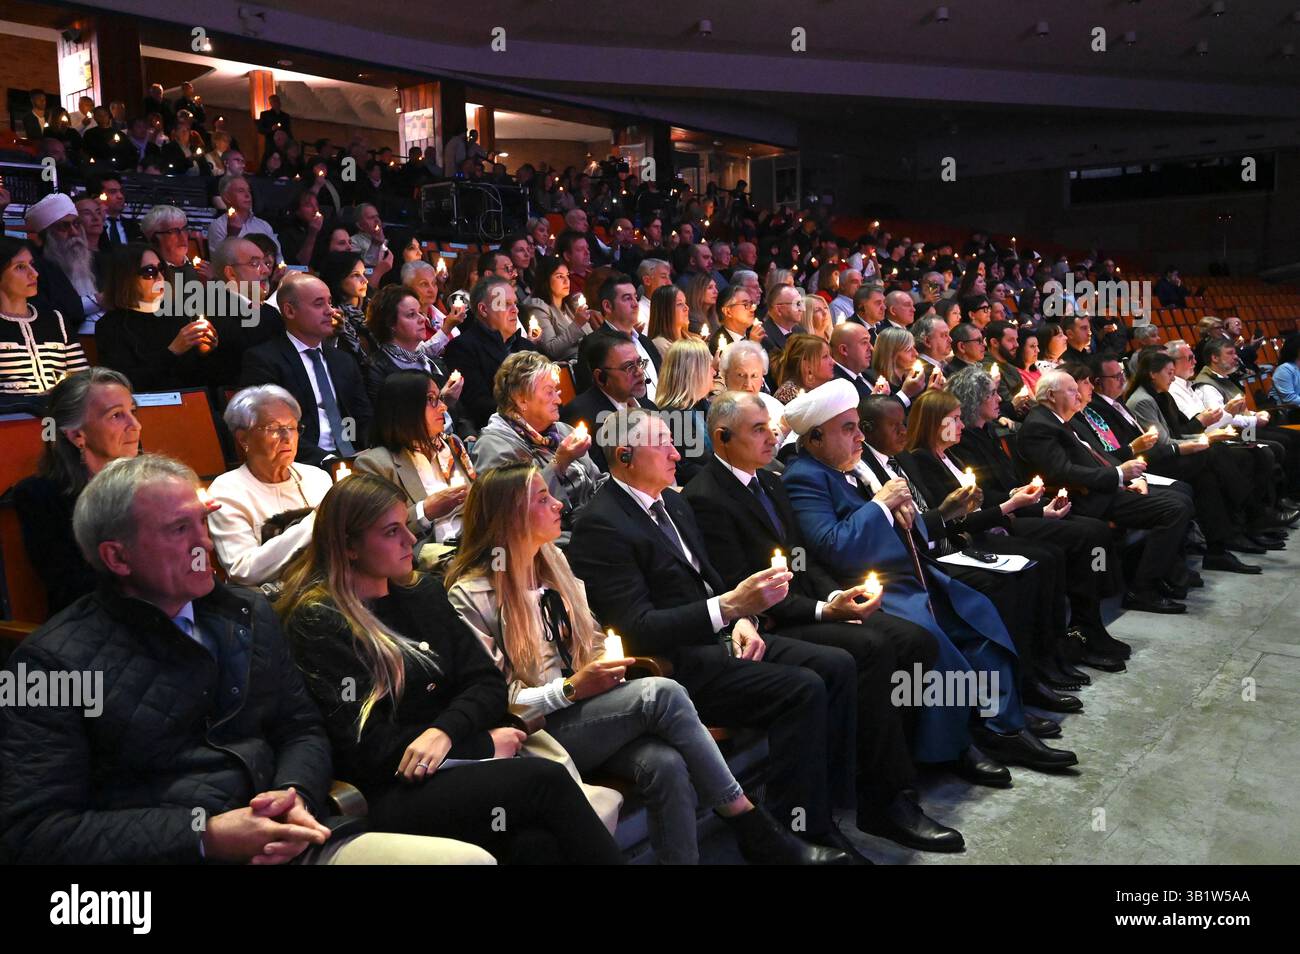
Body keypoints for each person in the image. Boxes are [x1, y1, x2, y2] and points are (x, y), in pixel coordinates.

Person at [2, 454, 492, 865]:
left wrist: (295, 792)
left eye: (202, 522)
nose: (206, 544)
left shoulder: (245, 612)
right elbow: (31, 832)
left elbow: (300, 727)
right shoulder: (47, 666)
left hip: (295, 833)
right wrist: (204, 833)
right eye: (179, 530)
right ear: (117, 558)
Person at [445, 463, 839, 865]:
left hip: (592, 708)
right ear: (508, 514)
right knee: (663, 693)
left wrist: (602, 664)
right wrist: (570, 688)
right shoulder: (471, 595)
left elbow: (595, 639)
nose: (558, 503)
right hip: (537, 730)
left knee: (666, 764)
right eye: (542, 499)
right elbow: (495, 700)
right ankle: (752, 824)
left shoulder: (554, 564)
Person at [566, 407, 863, 862]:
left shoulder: (675, 501)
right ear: (624, 455)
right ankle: (788, 831)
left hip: (719, 639)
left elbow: (710, 581)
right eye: (662, 443)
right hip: (675, 663)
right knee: (802, 689)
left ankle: (824, 813)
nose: (675, 451)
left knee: (837, 664)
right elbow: (636, 627)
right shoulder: (600, 524)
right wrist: (728, 608)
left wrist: (740, 618)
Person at [277, 473, 621, 864]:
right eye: (392, 532)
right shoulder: (320, 622)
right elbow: (369, 750)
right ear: (349, 546)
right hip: (393, 790)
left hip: (455, 769)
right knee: (545, 780)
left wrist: (444, 731)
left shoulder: (421, 594)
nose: (411, 540)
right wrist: (479, 745)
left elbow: (487, 683)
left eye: (407, 526)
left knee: (535, 845)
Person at [684, 392, 963, 852]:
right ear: (722, 437)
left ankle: (891, 778)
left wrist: (834, 595)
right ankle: (881, 800)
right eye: (758, 429)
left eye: (769, 426)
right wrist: (822, 610)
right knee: (868, 651)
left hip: (803, 604)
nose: (771, 435)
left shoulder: (768, 482)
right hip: (769, 621)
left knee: (912, 641)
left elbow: (803, 558)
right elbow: (745, 587)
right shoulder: (707, 497)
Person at [780, 383, 1075, 779]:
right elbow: (834, 546)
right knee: (941, 650)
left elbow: (905, 527)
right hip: (876, 587)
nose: (860, 437)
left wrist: (941, 512)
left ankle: (1004, 723)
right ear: (815, 437)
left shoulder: (844, 466)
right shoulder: (806, 477)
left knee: (981, 626)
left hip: (915, 571)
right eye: (849, 429)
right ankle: (955, 746)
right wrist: (881, 504)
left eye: (858, 427)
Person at [906, 385, 1125, 685]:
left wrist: (1020, 500)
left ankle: (1073, 638)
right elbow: (957, 517)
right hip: (973, 536)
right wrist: (1013, 504)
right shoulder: (922, 459)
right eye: (954, 419)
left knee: (1078, 542)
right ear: (934, 423)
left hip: (995, 522)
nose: (960, 425)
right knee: (1051, 556)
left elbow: (980, 502)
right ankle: (1042, 658)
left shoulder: (948, 456)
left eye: (959, 418)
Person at [1016, 370, 1195, 613]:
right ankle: (1142, 589)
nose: (1078, 393)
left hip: (1104, 488)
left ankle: (1167, 574)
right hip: (1085, 497)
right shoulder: (1040, 426)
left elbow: (1098, 458)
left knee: (1180, 496)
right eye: (1071, 390)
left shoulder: (1062, 420)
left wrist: (1131, 477)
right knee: (1175, 508)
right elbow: (1062, 472)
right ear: (1050, 395)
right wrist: (1119, 475)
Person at [1120, 352, 1271, 566]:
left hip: (1171, 454)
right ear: (1153, 374)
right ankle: (1252, 512)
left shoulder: (1162, 394)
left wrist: (1205, 436)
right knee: (1213, 453)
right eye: (1169, 373)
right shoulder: (1143, 400)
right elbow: (1163, 443)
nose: (1173, 379)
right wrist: (1205, 439)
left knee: (1207, 479)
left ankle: (1218, 550)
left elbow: (1179, 434)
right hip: (1156, 462)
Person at [12, 368, 140, 614]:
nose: (135, 425)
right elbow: (70, 588)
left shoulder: (156, 483)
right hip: (95, 627)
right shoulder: (40, 496)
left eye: (132, 412)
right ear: (77, 435)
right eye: (116, 416)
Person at [205, 385, 334, 587]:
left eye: (292, 427)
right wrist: (317, 521)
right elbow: (243, 570)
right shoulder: (227, 492)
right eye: (274, 429)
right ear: (243, 438)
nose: (287, 437)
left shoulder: (317, 478)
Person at [239, 275, 371, 464]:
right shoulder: (264, 360)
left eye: (330, 302)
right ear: (290, 311)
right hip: (301, 463)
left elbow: (364, 417)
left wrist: (371, 451)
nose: (330, 311)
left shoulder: (343, 360)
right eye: (319, 304)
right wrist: (329, 460)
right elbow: (270, 428)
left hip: (354, 458)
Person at [472, 351, 601, 534]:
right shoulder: (494, 447)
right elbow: (516, 514)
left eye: (557, 391)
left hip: (592, 524)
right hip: (550, 539)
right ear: (521, 399)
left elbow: (596, 480)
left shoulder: (562, 430)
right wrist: (560, 462)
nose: (559, 400)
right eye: (549, 392)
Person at [354, 371, 474, 550]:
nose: (443, 407)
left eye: (440, 398)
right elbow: (377, 533)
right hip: (426, 559)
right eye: (431, 399)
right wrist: (425, 511)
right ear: (404, 408)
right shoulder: (375, 464)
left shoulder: (452, 445)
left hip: (472, 543)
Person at [95, 243, 219, 390]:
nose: (160, 277)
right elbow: (124, 383)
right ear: (126, 278)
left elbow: (198, 378)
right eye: (149, 271)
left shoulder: (181, 315)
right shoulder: (110, 326)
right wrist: (172, 351)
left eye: (161, 269)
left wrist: (205, 353)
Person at [444, 275, 539, 429]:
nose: (515, 310)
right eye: (506, 304)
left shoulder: (527, 347)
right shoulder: (462, 348)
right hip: (497, 432)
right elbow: (477, 405)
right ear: (483, 309)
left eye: (515, 303)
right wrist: (527, 410)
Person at [0, 235, 88, 399]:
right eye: (20, 267)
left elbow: (81, 379)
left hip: (58, 417)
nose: (34, 274)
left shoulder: (55, 320)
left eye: (32, 265)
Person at [561, 336, 658, 472]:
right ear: (601, 377)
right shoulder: (580, 416)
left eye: (640, 363)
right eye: (629, 367)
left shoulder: (648, 406)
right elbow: (598, 478)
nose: (640, 372)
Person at [363, 284, 461, 407]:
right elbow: (389, 419)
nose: (422, 319)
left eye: (420, 312)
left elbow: (459, 418)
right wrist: (442, 401)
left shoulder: (434, 363)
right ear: (390, 323)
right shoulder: (376, 369)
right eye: (411, 315)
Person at [575, 274, 664, 396]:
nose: (635, 304)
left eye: (635, 297)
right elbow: (590, 394)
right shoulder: (593, 344)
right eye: (627, 298)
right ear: (608, 306)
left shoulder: (645, 341)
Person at [653, 339, 715, 485]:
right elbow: (698, 466)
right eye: (709, 366)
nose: (714, 371)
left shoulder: (700, 404)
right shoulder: (672, 416)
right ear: (694, 373)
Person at [522, 255, 594, 361]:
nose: (566, 281)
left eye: (567, 275)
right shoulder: (538, 307)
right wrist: (577, 324)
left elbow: (591, 337)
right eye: (560, 276)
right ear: (546, 280)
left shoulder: (571, 304)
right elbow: (551, 350)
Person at [318, 250, 377, 363]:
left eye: (364, 274)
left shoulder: (376, 307)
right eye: (355, 275)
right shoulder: (330, 314)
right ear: (339, 278)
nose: (365, 281)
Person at [206, 177, 281, 257]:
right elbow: (219, 262)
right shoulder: (218, 226)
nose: (248, 195)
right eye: (241, 191)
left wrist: (280, 266)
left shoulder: (264, 225)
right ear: (227, 198)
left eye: (249, 191)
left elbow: (278, 257)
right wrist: (232, 235)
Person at [869, 326, 932, 410]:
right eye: (909, 349)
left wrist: (930, 391)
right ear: (891, 354)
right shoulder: (874, 381)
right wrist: (906, 393)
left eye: (914, 347)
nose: (916, 353)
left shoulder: (908, 381)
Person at [772, 332, 835, 405]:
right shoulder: (788, 394)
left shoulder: (827, 388)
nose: (833, 362)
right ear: (807, 364)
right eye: (825, 357)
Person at [646, 282, 694, 361]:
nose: (686, 308)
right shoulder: (660, 345)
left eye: (685, 303)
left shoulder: (692, 340)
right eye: (679, 304)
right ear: (665, 310)